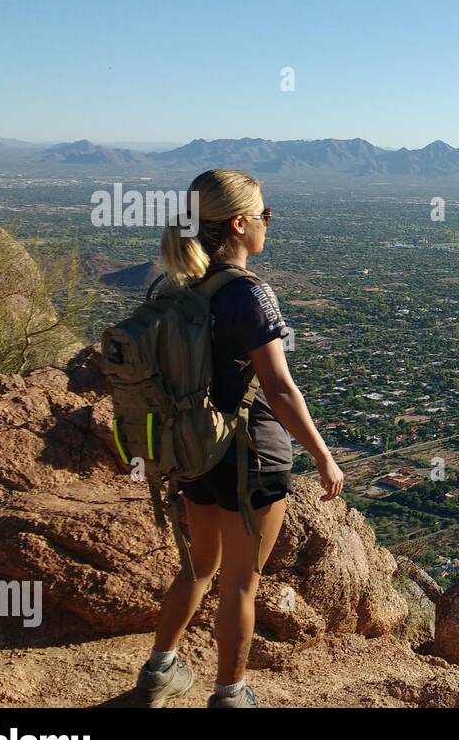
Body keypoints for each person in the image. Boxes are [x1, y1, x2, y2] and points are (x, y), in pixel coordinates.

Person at [133, 169, 344, 707]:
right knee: (241, 583)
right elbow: (278, 387)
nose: (267, 224)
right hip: (251, 456)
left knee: (199, 566)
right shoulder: (249, 293)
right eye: (264, 215)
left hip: (192, 449)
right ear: (238, 222)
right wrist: (323, 456)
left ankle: (159, 672)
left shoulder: (177, 284)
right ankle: (230, 694)